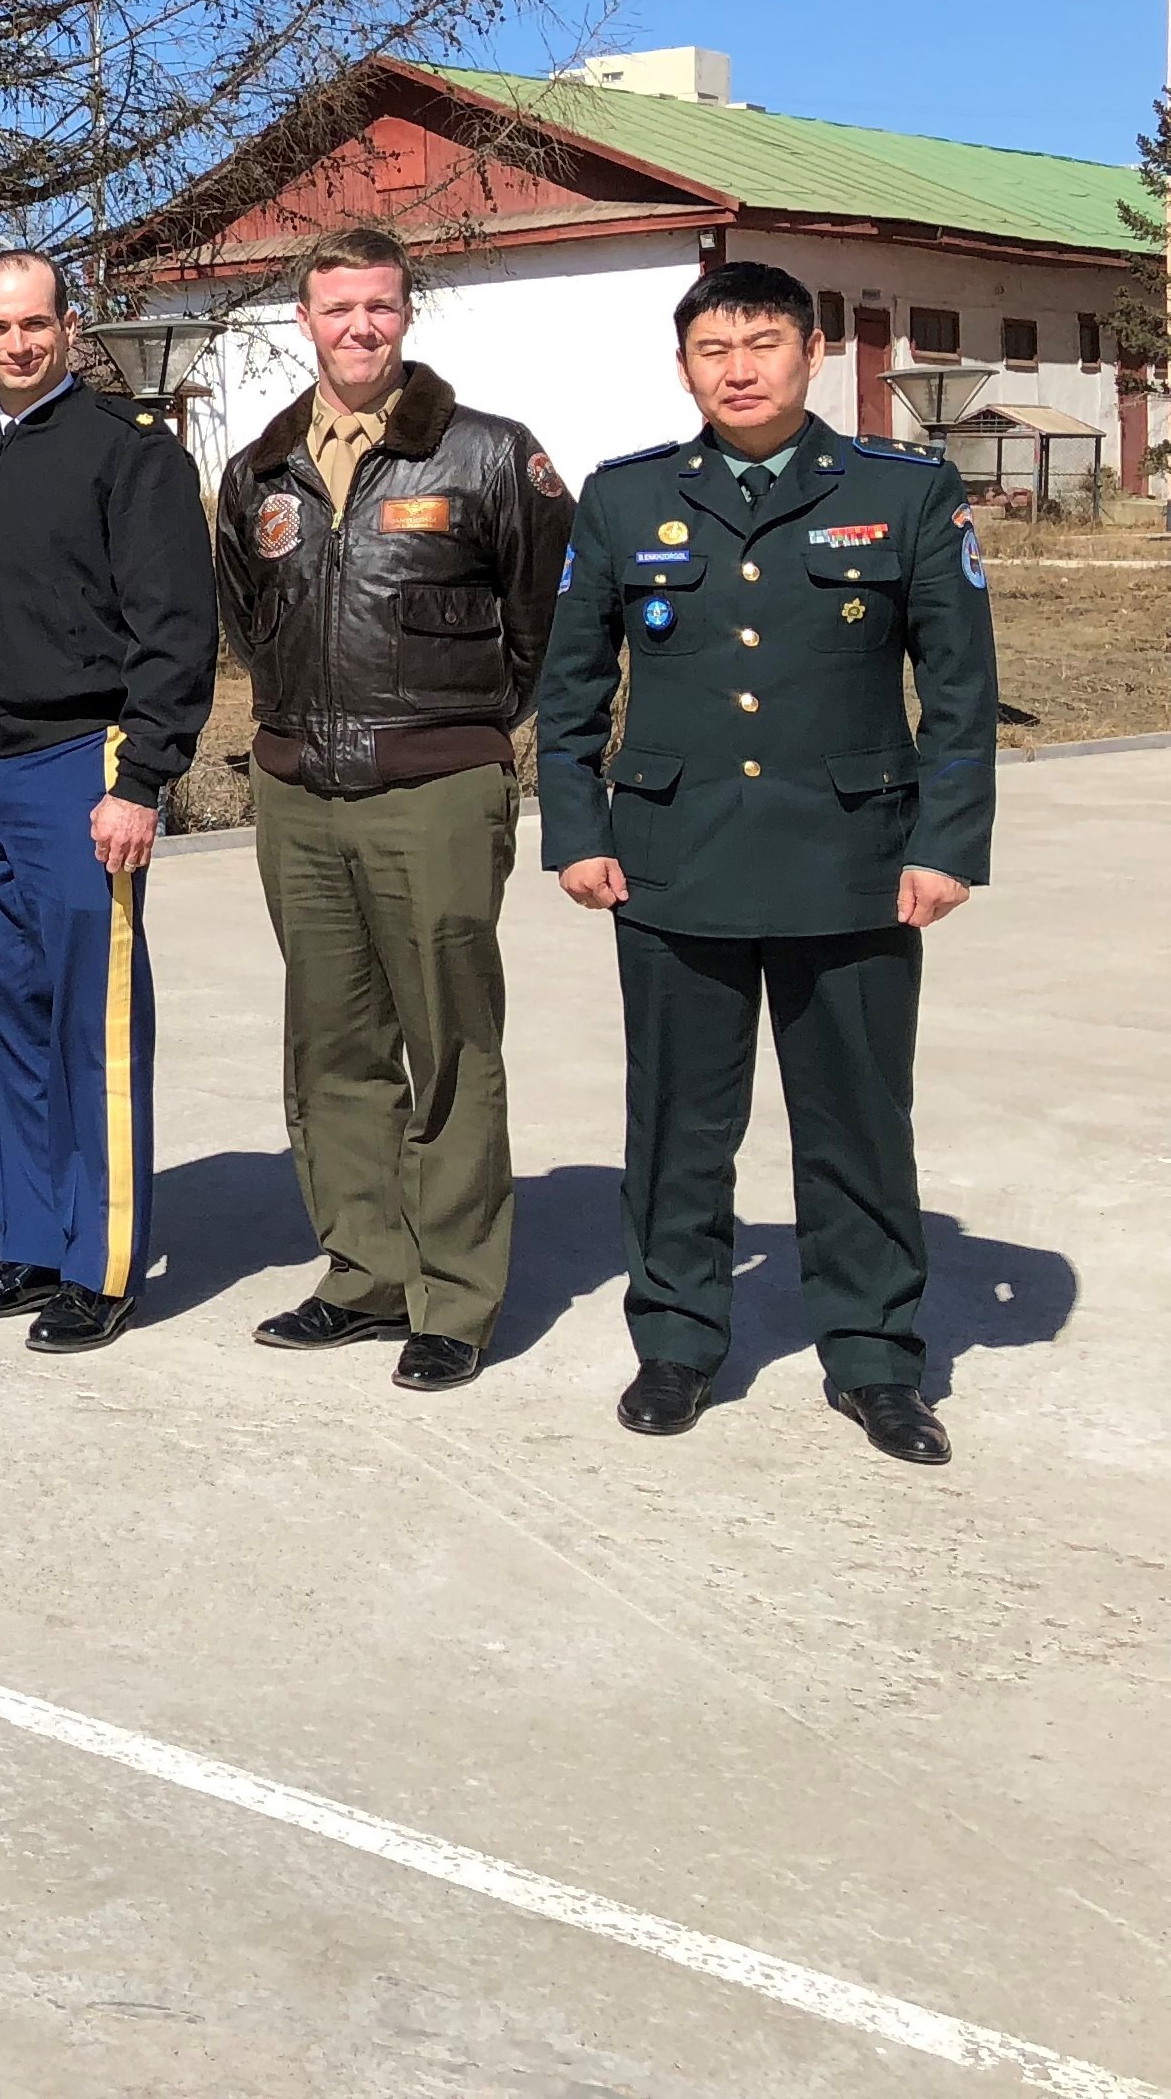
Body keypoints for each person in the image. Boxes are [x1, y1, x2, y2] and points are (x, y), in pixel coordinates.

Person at [533, 259, 995, 1466]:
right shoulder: (626, 498)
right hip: (672, 861)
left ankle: (876, 1358)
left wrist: (946, 845)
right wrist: (576, 831)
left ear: (812, 353)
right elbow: (571, 686)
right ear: (684, 366)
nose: (738, 370)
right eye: (713, 350)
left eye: (763, 344)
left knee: (858, 1123)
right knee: (678, 1123)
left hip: (853, 862)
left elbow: (959, 689)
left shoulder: (905, 491)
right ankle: (677, 1341)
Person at [212, 230, 572, 1393]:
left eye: (378, 306)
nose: (357, 327)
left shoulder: (488, 454)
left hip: (435, 794)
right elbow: (249, 622)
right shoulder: (261, 468)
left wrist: (460, 734)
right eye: (336, 308)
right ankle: (364, 1271)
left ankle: (456, 1298)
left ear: (407, 314)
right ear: (303, 320)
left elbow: (544, 623)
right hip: (297, 795)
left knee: (449, 1040)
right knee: (333, 1043)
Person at [0, 249, 217, 1355]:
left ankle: (101, 1265)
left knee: (92, 1021)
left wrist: (142, 780)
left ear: (70, 327)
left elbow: (175, 628)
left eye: (34, 324)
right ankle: (32, 1243)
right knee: (0, 1018)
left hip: (77, 767)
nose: (16, 344)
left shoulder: (128, 454)